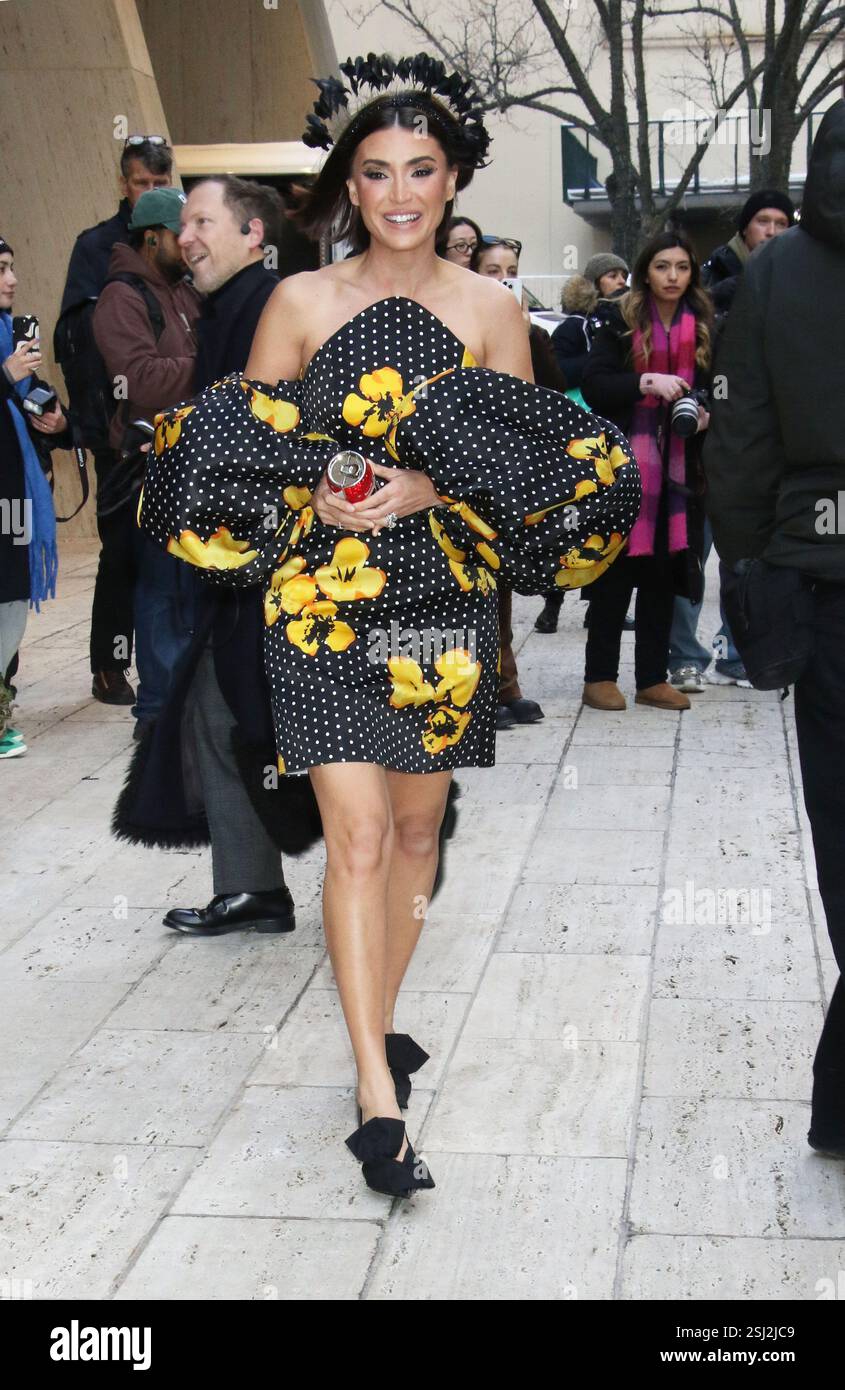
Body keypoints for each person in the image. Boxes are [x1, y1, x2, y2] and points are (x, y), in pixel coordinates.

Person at [138, 52, 640, 1199]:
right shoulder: (296, 303)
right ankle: (375, 1087)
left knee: (417, 840)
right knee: (357, 839)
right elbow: (242, 452)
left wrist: (433, 489)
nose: (400, 192)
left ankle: (380, 1016)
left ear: (454, 174)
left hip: (441, 602)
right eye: (375, 173)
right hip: (319, 597)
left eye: (420, 168)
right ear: (346, 186)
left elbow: (532, 474)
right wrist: (305, 491)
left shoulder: (494, 309)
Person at [705, 101, 845, 1159]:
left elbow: (740, 438)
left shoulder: (768, 271)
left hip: (816, 569)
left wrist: (747, 567)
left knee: (840, 828)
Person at [113, 174, 300, 939]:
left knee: (271, 722)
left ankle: (383, 860)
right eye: (182, 223)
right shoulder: (227, 308)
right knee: (221, 712)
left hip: (286, 572)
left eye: (202, 220)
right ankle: (253, 887)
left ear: (253, 234)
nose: (184, 236)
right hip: (243, 568)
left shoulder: (270, 307)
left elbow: (281, 434)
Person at [56, 136, 173, 709]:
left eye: (160, 181)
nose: (151, 191)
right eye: (142, 183)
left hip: (170, 426)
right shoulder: (96, 247)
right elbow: (76, 343)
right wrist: (96, 426)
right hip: (117, 429)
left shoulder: (180, 240)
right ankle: (110, 663)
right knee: (122, 547)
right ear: (123, 185)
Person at [669, 190, 795, 695]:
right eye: (762, 221)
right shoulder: (711, 286)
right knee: (691, 554)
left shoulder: (797, 279)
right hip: (703, 442)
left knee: (747, 556)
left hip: (763, 444)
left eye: (781, 221)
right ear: (745, 229)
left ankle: (738, 652)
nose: (771, 229)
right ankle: (684, 654)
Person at [581, 231, 713, 712]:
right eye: (662, 266)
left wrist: (705, 413)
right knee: (616, 570)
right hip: (623, 466)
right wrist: (644, 381)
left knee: (664, 572)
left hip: (681, 467)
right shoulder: (619, 316)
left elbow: (720, 386)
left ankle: (652, 678)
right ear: (645, 271)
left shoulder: (703, 321)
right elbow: (593, 385)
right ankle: (599, 677)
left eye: (681, 267)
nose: (673, 276)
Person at [93, 188, 200, 733]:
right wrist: (207, 361)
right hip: (146, 465)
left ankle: (180, 705)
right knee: (160, 589)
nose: (191, 244)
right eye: (181, 233)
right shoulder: (122, 296)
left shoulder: (182, 291)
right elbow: (139, 381)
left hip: (187, 461)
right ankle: (157, 713)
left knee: (188, 585)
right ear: (152, 236)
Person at [469, 235, 545, 728]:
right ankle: (480, 691)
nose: (503, 279)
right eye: (491, 270)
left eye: (510, 269)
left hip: (503, 475)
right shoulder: (457, 317)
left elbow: (544, 396)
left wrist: (526, 333)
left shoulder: (524, 326)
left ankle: (503, 681)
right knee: (470, 589)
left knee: (499, 586)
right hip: (456, 476)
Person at [1, 237, 71, 757]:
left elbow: (22, 409)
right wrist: (6, 377)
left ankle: (4, 702)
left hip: (14, 493)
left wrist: (54, 422)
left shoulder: (7, 334)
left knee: (11, 604)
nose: (12, 280)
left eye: (11, 268)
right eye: (1, 270)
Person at [537, 252, 629, 634]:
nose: (620, 280)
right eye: (611, 274)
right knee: (565, 522)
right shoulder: (574, 327)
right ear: (593, 283)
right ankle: (552, 605)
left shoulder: (623, 323)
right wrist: (597, 359)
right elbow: (558, 372)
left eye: (624, 274)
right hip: (571, 439)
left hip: (607, 432)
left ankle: (600, 606)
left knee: (603, 522)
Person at [702, 188, 795, 315]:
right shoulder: (711, 276)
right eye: (763, 221)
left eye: (781, 224)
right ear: (745, 228)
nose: (771, 232)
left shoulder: (800, 278)